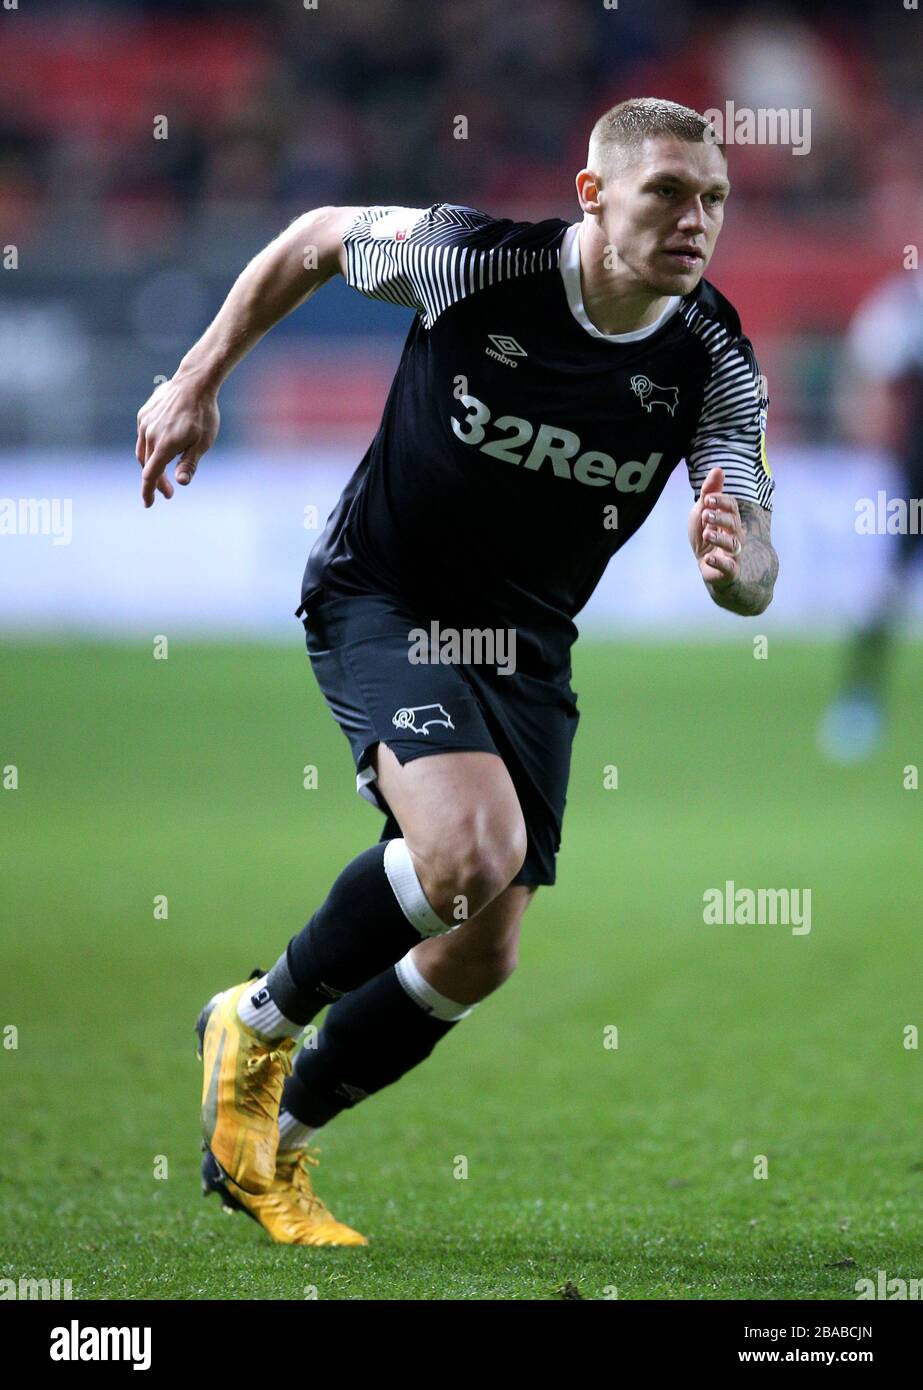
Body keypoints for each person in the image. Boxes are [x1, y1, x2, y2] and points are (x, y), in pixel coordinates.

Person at [135, 97, 778, 1246]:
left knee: (479, 949)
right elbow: (312, 239)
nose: (696, 220)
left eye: (714, 199)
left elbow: (756, 562)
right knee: (468, 850)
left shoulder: (713, 357)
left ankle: (269, 1146)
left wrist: (734, 570)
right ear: (592, 196)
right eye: (667, 193)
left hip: (526, 642)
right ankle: (257, 1016)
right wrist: (195, 378)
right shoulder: (471, 262)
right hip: (384, 593)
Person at [818, 269, 923, 762]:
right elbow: (873, 373)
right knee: (885, 588)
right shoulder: (908, 303)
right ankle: (859, 701)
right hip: (916, 480)